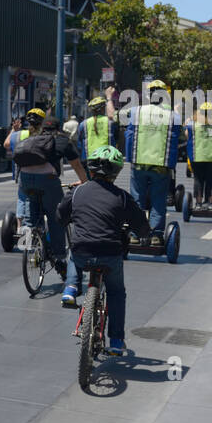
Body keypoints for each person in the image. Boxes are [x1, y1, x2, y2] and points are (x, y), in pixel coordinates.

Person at [58, 145, 151, 355]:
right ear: (116, 173)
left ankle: (71, 288)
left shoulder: (78, 191)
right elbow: (142, 227)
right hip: (110, 254)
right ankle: (116, 341)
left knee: (74, 251)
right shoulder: (123, 197)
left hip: (83, 251)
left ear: (90, 170)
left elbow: (60, 215)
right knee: (117, 292)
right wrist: (144, 233)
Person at [10, 112, 87, 278]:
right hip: (47, 180)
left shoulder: (31, 139)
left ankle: (32, 247)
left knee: (31, 216)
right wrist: (84, 182)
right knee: (56, 218)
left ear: (43, 128)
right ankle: (59, 258)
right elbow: (77, 165)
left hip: (25, 180)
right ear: (58, 128)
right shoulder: (61, 140)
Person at [122, 80, 181, 247]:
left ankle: (134, 234)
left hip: (139, 163)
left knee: (137, 199)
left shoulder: (136, 112)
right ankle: (156, 236)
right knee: (158, 200)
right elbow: (175, 139)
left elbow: (129, 135)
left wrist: (130, 159)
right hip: (161, 165)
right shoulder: (173, 115)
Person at [187, 101, 212, 205]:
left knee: (198, 179)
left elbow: (187, 135)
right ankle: (210, 202)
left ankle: (198, 203)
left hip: (197, 156)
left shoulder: (192, 124)